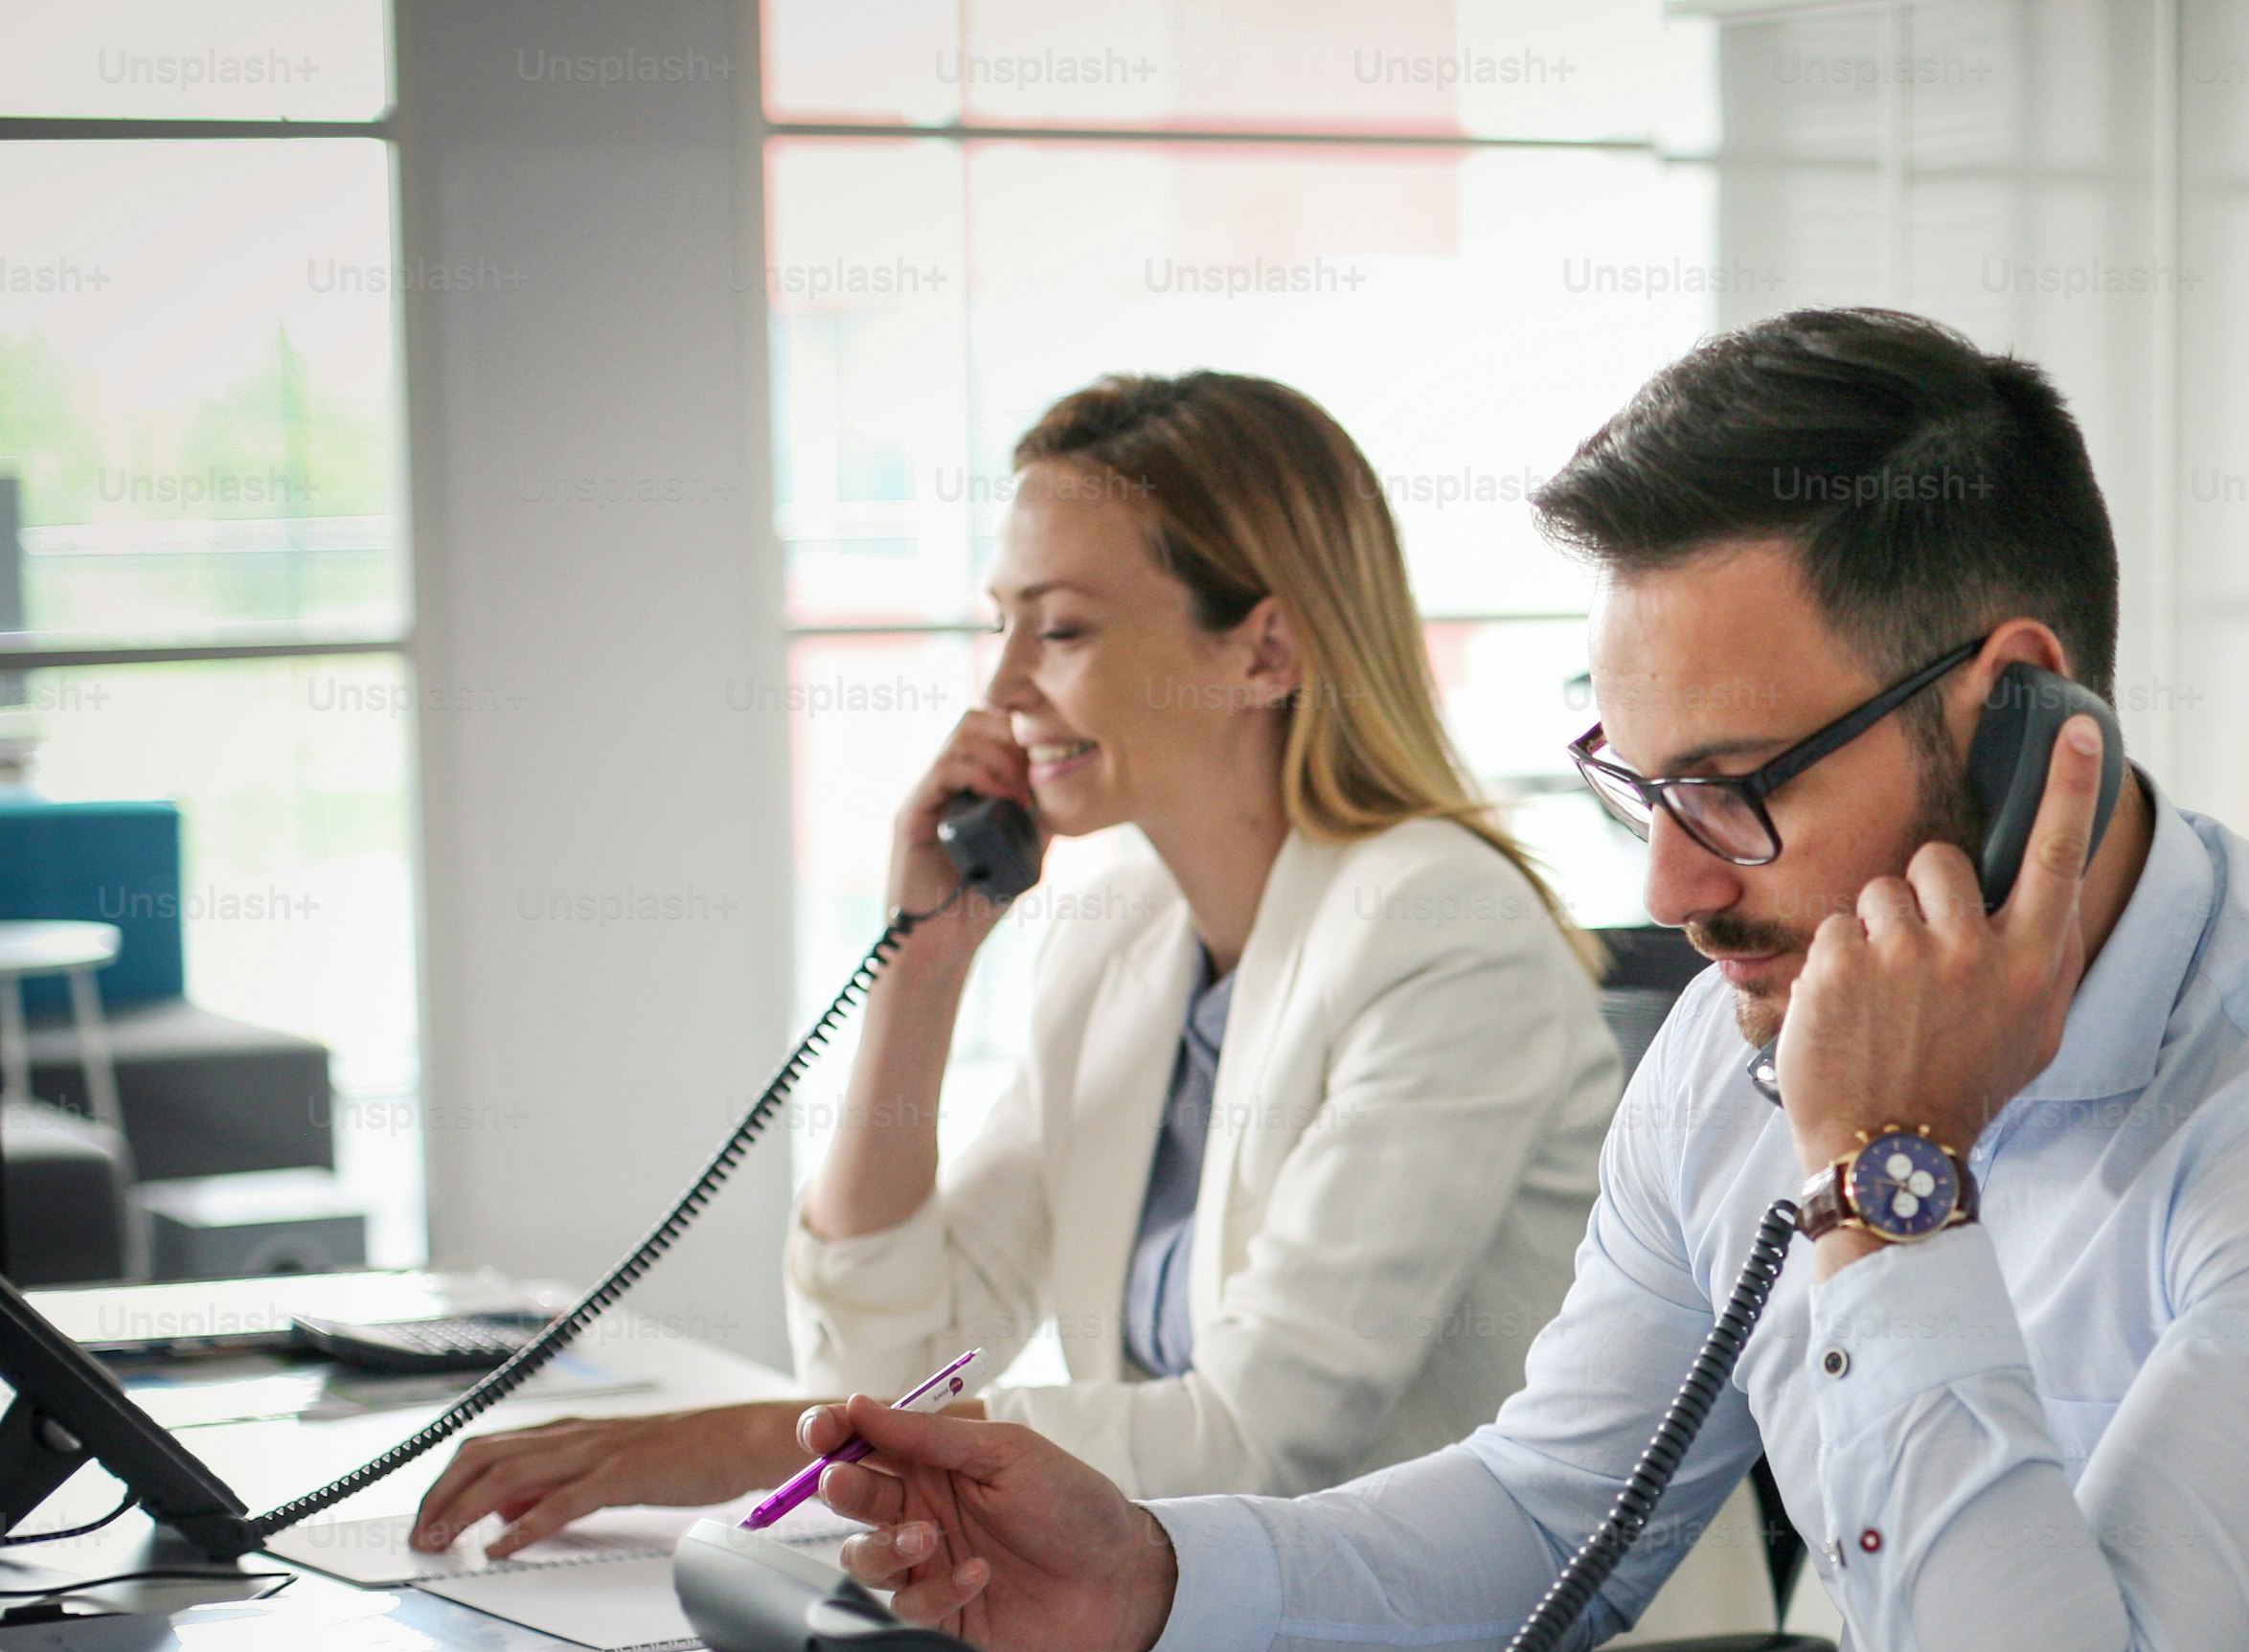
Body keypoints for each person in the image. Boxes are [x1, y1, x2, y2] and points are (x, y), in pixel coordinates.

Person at [794, 308, 2249, 1652]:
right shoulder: (1744, 1039)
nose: (1675, 892)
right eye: (1639, 784)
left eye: (1736, 785)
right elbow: (1547, 1518)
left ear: (2017, 726)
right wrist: (1149, 1573)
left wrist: (1884, 1176)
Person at [409, 373, 1633, 1551]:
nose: (999, 687)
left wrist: (746, 1445)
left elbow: (1255, 1440)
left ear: (1265, 651)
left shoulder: (1442, 934)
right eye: (1004, 626)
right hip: (1231, 1636)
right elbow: (884, 1373)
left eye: (1060, 628)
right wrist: (923, 968)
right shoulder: (1125, 934)